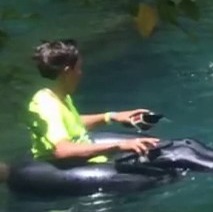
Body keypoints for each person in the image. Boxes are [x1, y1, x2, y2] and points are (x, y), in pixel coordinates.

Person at [27, 40, 159, 163]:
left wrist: (112, 117)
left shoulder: (60, 95)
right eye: (78, 68)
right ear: (67, 72)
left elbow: (72, 123)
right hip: (66, 172)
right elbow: (63, 150)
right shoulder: (46, 104)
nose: (81, 73)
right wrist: (120, 145)